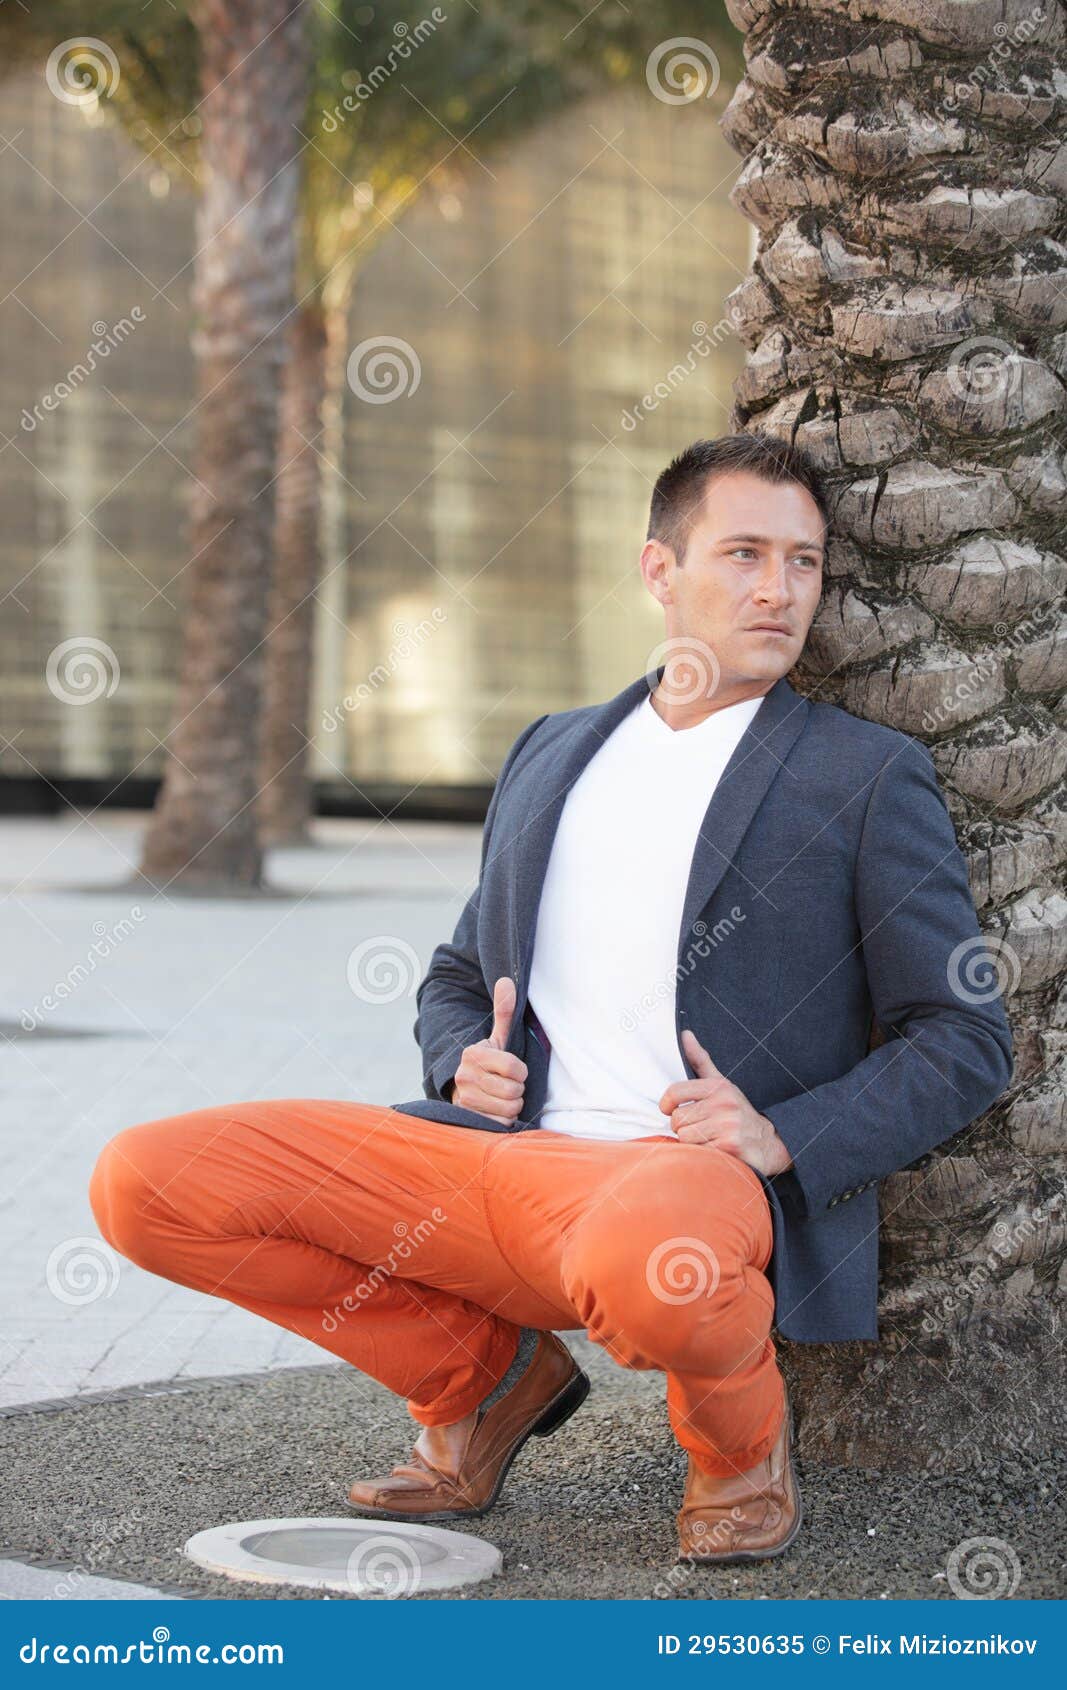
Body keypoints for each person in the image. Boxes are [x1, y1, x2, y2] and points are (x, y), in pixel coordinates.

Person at [89, 434, 1013, 1564]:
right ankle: (482, 1381)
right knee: (147, 1183)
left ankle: (736, 1451)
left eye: (804, 563)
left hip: (680, 1187)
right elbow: (457, 974)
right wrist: (457, 1060)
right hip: (489, 1166)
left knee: (642, 1254)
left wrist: (783, 1133)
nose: (777, 589)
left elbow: (963, 1035)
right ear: (658, 570)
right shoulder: (556, 749)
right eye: (741, 554)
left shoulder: (859, 774)